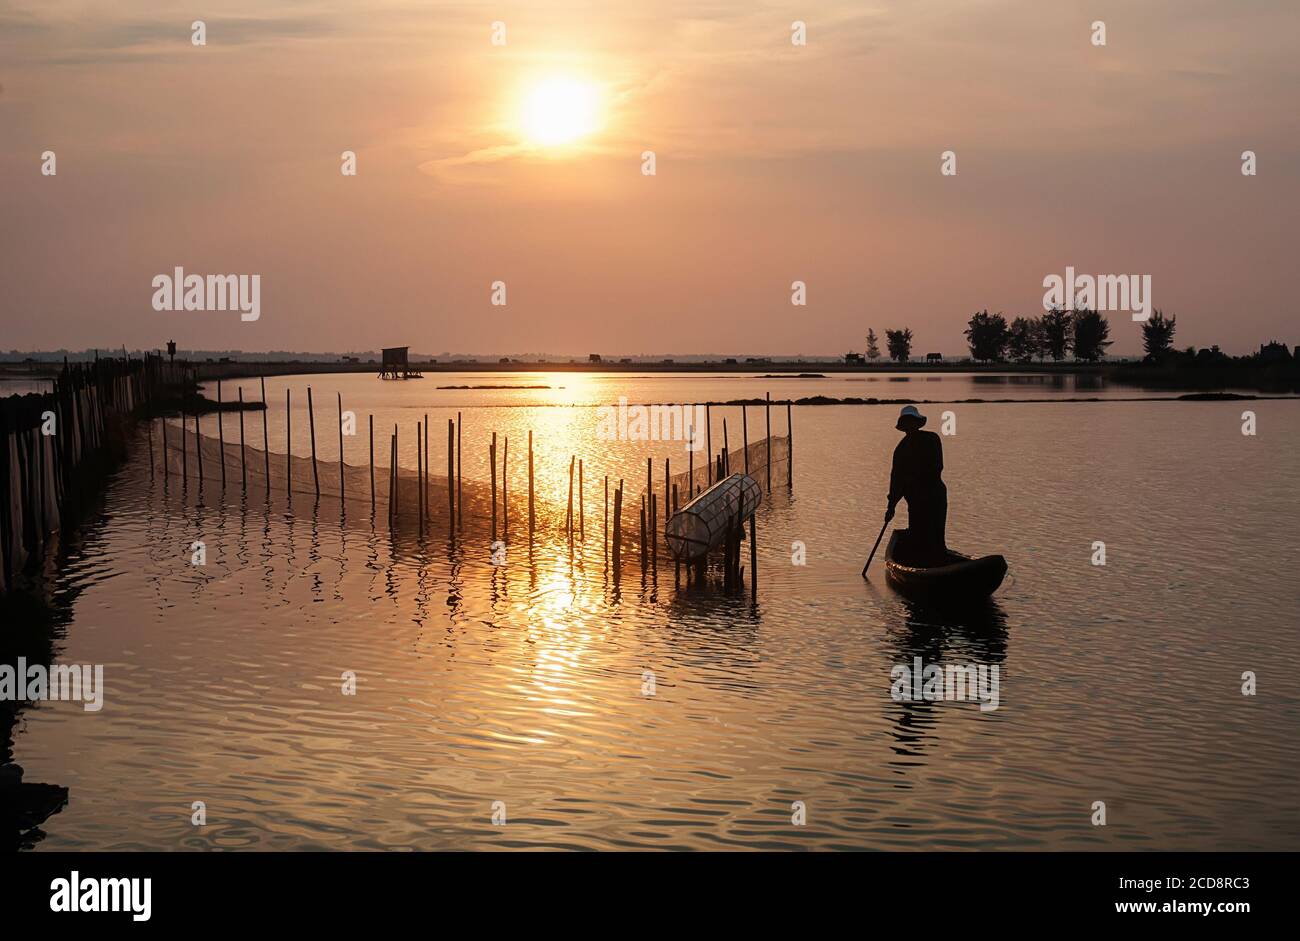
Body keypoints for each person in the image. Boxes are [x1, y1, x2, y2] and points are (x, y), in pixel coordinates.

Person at [885, 406, 948, 564]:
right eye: (907, 422)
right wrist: (891, 505)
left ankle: (938, 558)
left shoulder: (932, 439)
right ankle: (922, 561)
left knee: (937, 533)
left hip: (935, 494)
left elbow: (937, 467)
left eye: (912, 421)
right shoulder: (901, 449)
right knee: (918, 533)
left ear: (918, 423)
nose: (910, 425)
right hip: (915, 498)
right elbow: (896, 479)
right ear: (903, 426)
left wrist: (915, 478)